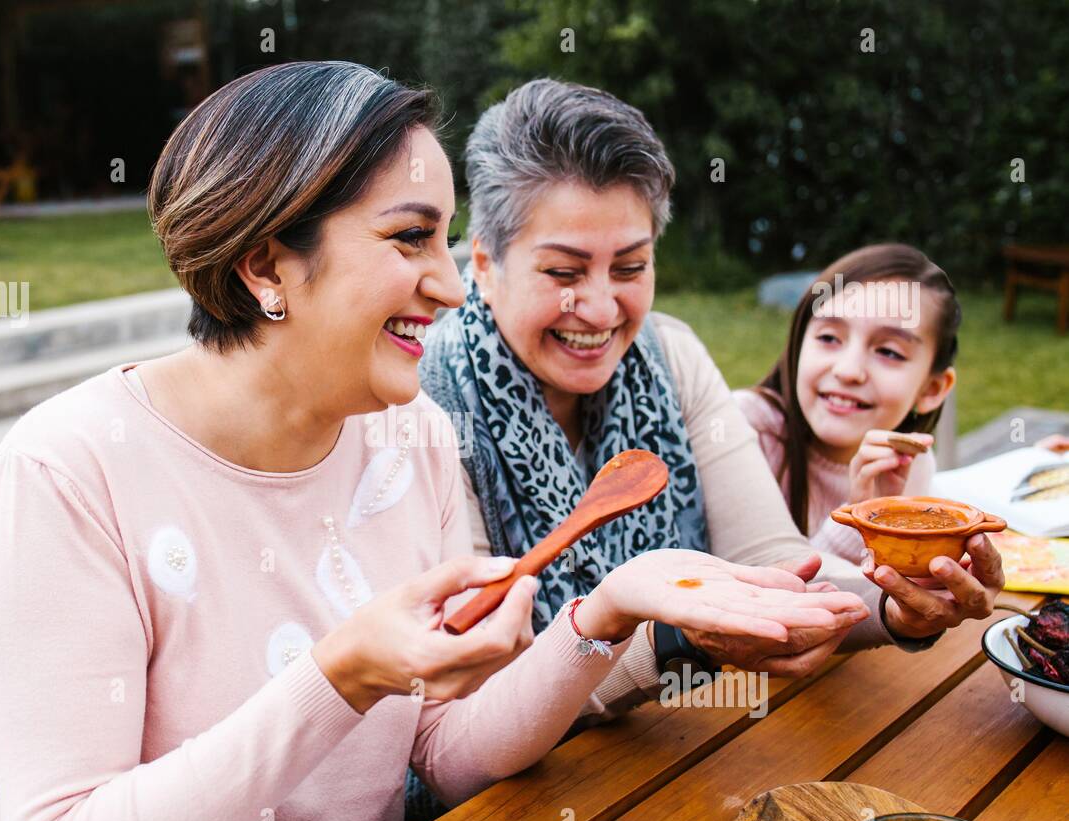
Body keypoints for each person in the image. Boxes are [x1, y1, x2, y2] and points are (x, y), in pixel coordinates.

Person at [0, 61, 858, 821]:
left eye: (445, 236)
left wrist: (601, 615)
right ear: (267, 266)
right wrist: (338, 677)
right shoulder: (66, 475)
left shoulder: (412, 434)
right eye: (409, 238)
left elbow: (443, 750)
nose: (455, 284)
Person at [419, 79, 1005, 729]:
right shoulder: (428, 401)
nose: (602, 308)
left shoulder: (673, 354)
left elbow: (775, 564)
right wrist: (677, 643)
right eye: (563, 272)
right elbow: (476, 692)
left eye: (630, 267)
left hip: (675, 750)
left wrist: (897, 607)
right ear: (485, 264)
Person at [734, 243, 959, 565]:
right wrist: (857, 520)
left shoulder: (910, 466)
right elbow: (757, 590)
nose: (848, 370)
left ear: (932, 389)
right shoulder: (747, 430)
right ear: (799, 344)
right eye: (829, 338)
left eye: (889, 352)